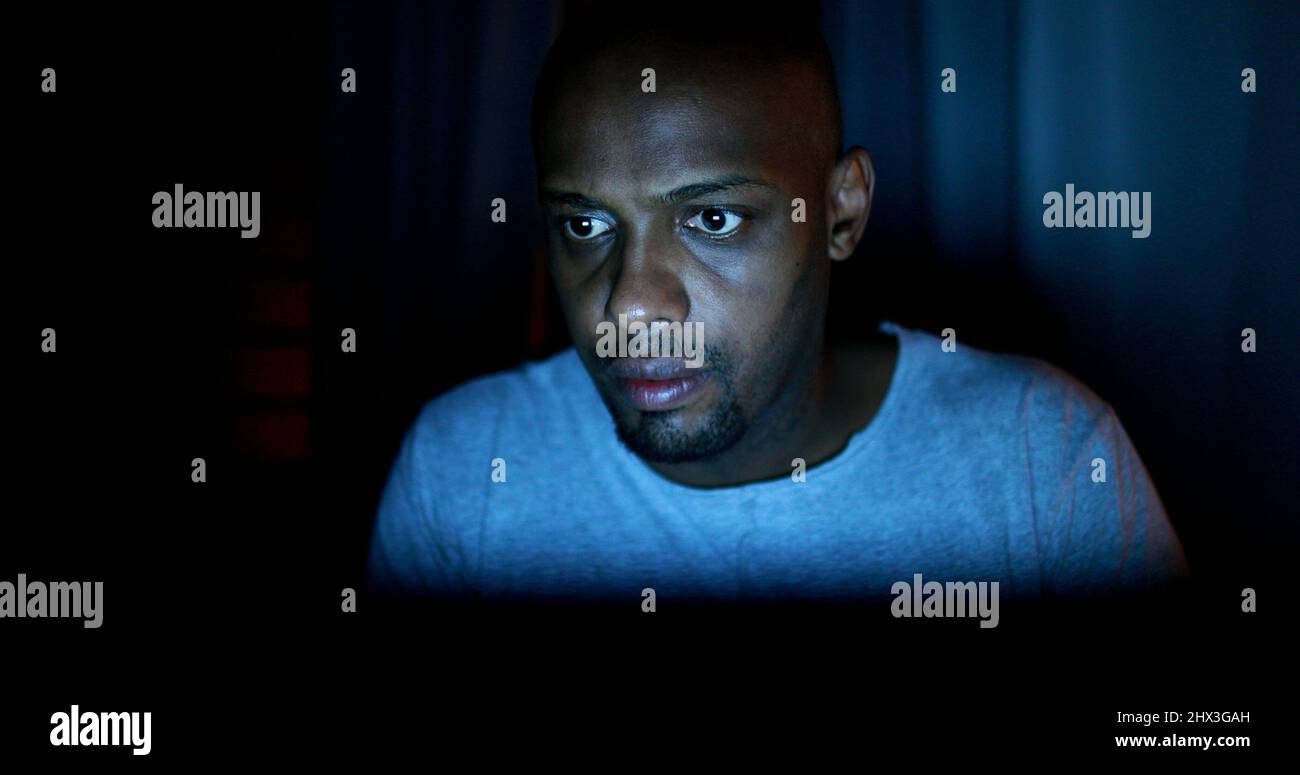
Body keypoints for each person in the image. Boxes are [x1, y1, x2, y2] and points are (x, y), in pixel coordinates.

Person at [368, 13, 1187, 604]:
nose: (631, 305)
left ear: (840, 211)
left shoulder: (1039, 456)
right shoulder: (463, 468)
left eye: (713, 218)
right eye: (585, 224)